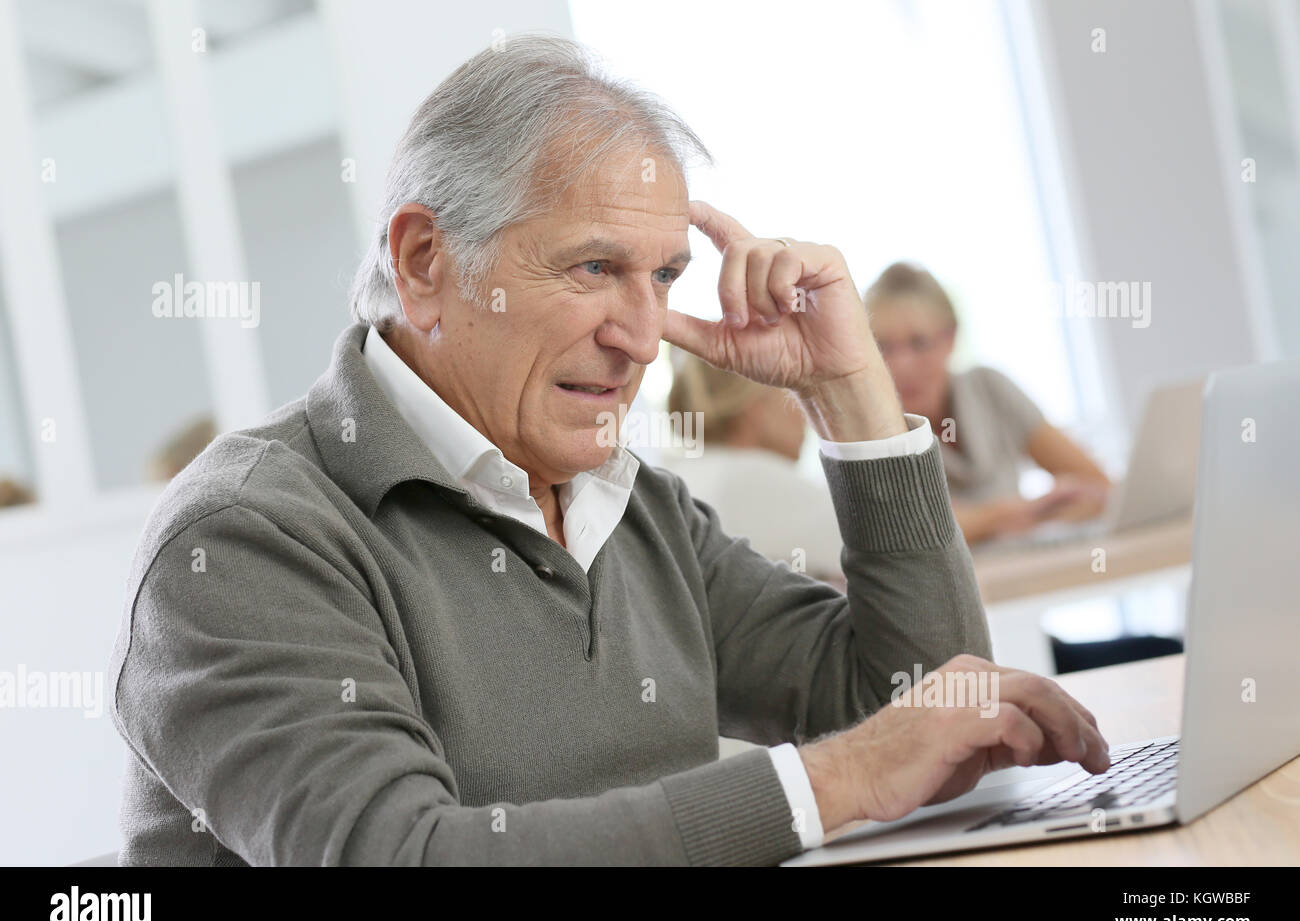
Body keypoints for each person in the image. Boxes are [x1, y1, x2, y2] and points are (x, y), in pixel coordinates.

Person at [109, 35, 1108, 866]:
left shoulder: (634, 508)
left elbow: (922, 708)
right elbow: (403, 855)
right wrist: (835, 777)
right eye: (594, 267)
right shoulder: (242, 538)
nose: (641, 334)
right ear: (424, 263)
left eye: (664, 275)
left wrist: (849, 392)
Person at [864, 262, 1112, 545]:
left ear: (950, 338)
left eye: (919, 343)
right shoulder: (872, 430)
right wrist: (1010, 514)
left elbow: (1097, 484)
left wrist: (1051, 508)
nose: (901, 364)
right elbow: (906, 531)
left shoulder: (988, 388)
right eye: (883, 347)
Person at [662, 351, 844, 582]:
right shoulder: (756, 480)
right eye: (792, 395)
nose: (807, 418)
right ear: (755, 406)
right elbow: (890, 547)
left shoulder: (678, 474)